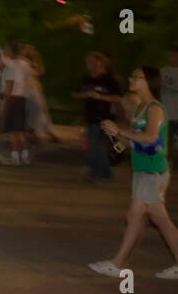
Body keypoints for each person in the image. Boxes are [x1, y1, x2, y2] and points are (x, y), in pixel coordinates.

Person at [90, 66, 178, 280]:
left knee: (136, 215)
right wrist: (117, 137)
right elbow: (135, 141)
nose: (131, 79)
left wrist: (120, 131)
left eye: (137, 77)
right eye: (133, 75)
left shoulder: (155, 109)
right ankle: (119, 264)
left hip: (152, 171)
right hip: (142, 170)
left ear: (149, 82)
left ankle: (118, 264)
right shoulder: (139, 108)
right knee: (157, 219)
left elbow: (150, 137)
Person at [76, 52, 123, 182]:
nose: (89, 64)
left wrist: (100, 97)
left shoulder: (109, 80)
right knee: (96, 145)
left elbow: (118, 97)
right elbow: (76, 94)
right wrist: (85, 95)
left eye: (92, 61)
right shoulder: (86, 79)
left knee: (97, 145)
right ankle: (105, 172)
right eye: (88, 62)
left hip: (104, 117)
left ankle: (96, 172)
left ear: (100, 63)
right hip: (89, 116)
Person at [0, 40, 34, 165]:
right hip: (22, 98)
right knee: (20, 129)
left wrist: (4, 102)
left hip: (12, 99)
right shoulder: (25, 65)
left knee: (13, 131)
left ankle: (15, 157)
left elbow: (9, 85)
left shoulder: (10, 65)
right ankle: (25, 156)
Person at [21, 43, 56, 144]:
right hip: (28, 89)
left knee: (40, 111)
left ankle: (40, 133)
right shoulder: (23, 62)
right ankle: (33, 134)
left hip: (36, 88)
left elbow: (40, 71)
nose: (32, 52)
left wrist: (38, 58)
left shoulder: (32, 62)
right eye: (29, 50)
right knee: (32, 111)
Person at [161, 44, 178, 160]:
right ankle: (168, 162)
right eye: (171, 55)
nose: (172, 57)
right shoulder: (162, 71)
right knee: (166, 140)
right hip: (165, 112)